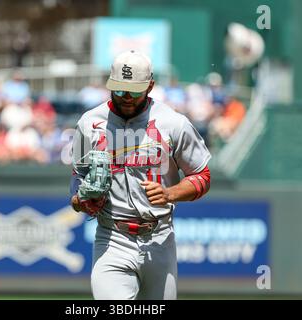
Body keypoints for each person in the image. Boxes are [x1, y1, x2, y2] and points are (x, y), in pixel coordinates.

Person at [69, 50, 212, 300]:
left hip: (159, 237)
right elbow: (77, 178)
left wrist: (171, 193)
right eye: (119, 89)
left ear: (150, 86)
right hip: (112, 237)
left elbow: (202, 175)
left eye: (134, 91)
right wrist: (81, 201)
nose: (126, 97)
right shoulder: (89, 123)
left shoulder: (173, 123)